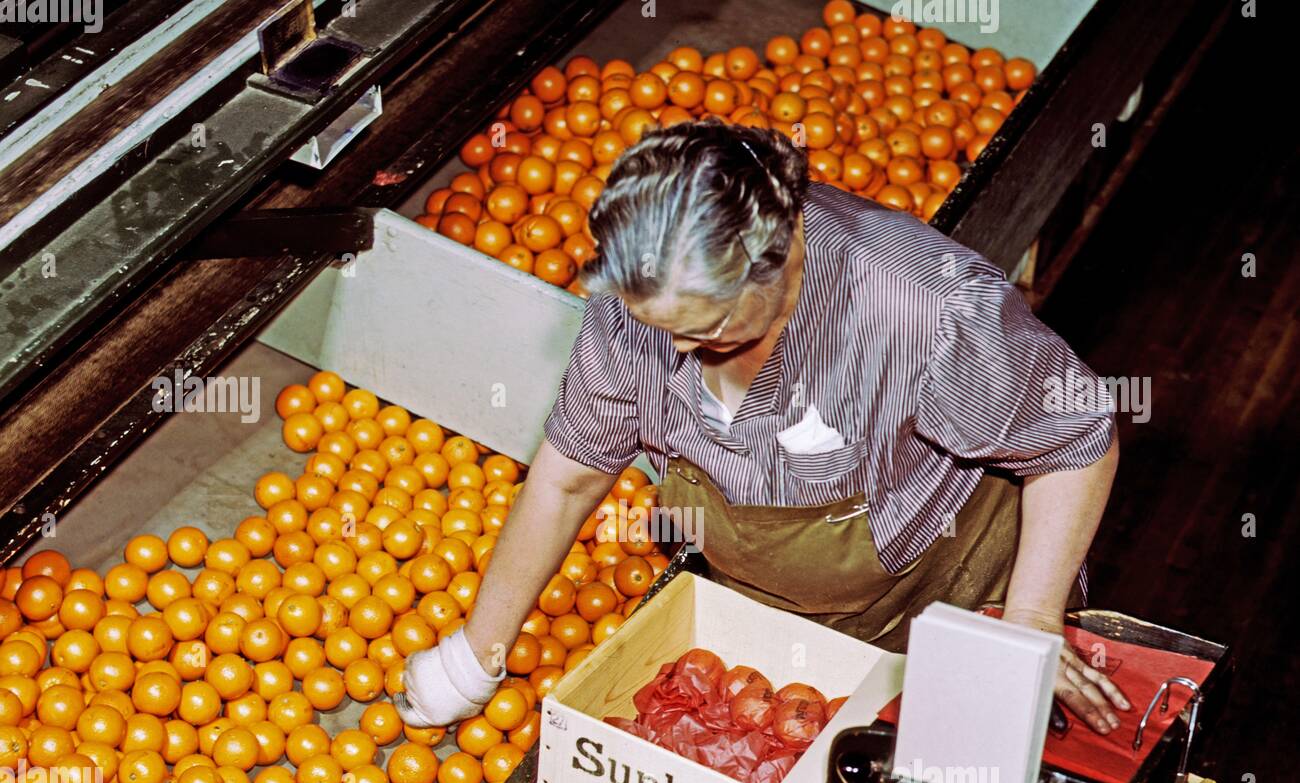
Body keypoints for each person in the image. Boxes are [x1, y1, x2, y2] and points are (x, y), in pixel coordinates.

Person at [397, 120, 1129, 736]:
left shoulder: (920, 313)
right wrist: (474, 654)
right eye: (657, 326)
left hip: (943, 587)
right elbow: (570, 475)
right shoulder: (646, 308)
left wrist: (1031, 616)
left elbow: (1077, 439)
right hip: (780, 617)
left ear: (779, 258)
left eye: (706, 330)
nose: (675, 353)